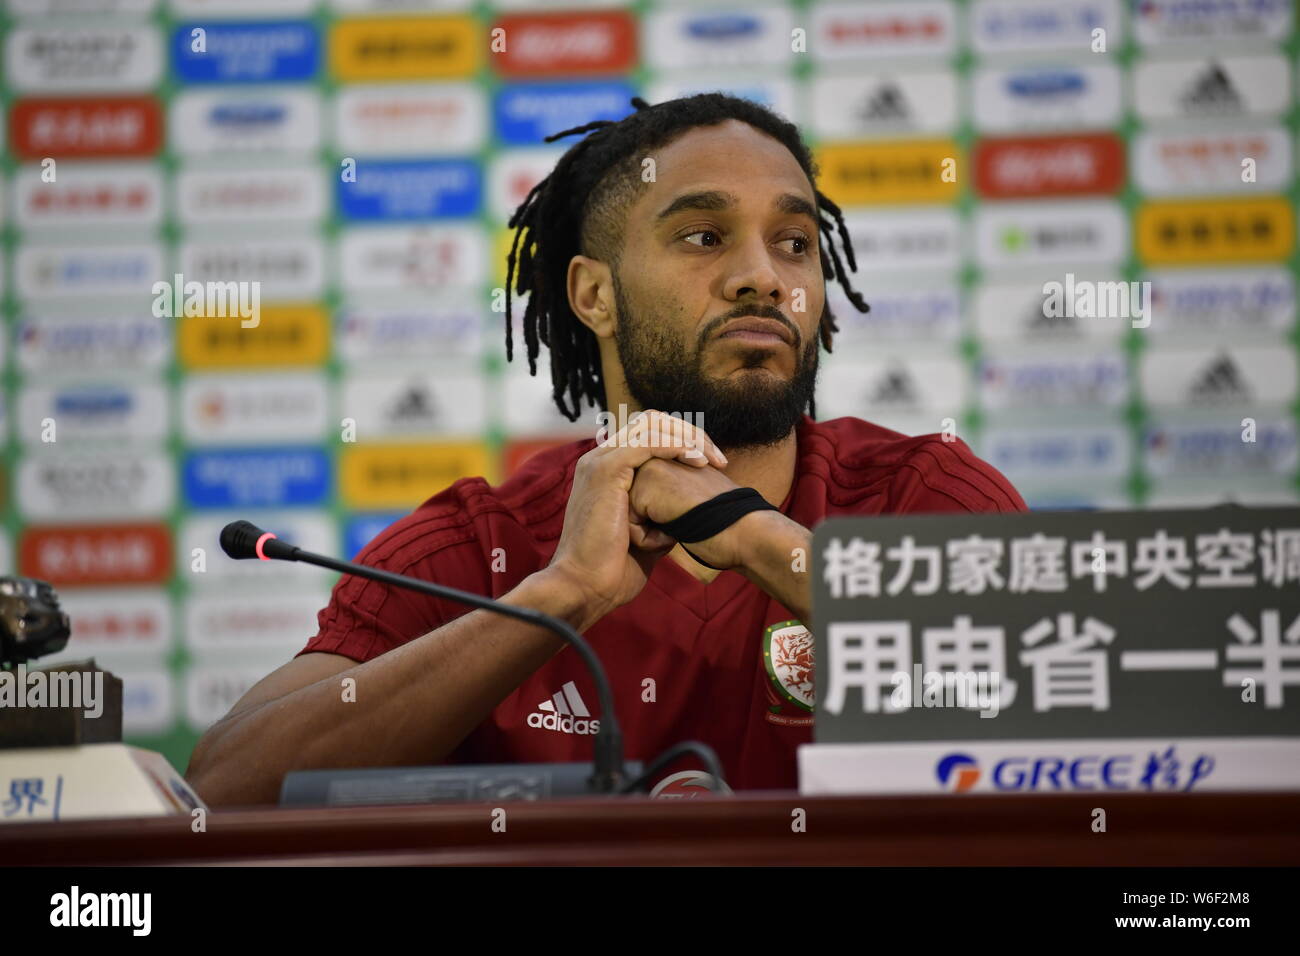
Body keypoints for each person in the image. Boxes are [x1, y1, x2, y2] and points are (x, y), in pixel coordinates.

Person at [186, 93, 1025, 805]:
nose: (763, 276)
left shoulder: (925, 496)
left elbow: (1058, 703)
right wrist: (564, 594)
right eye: (704, 237)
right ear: (594, 293)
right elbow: (227, 787)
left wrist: (751, 533)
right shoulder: (479, 543)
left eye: (794, 243)